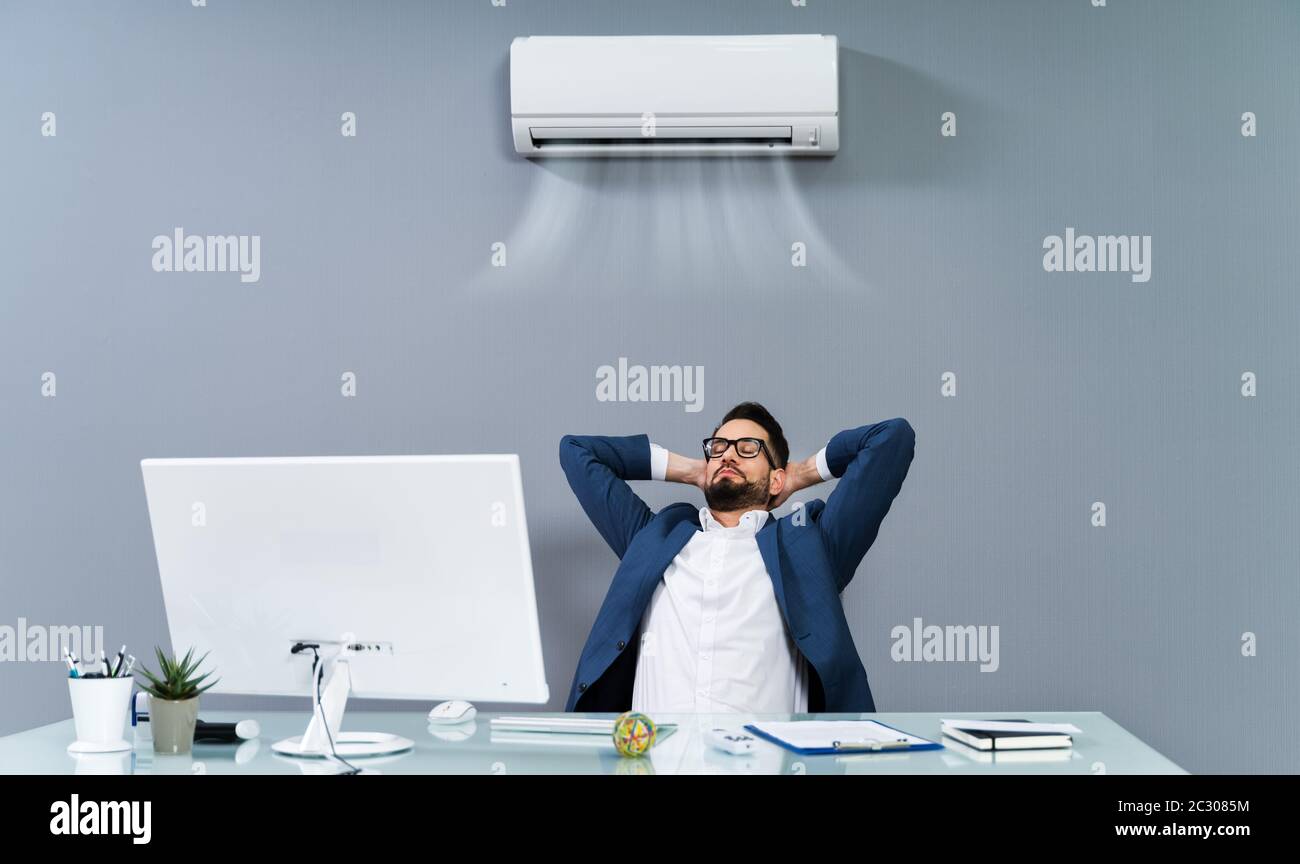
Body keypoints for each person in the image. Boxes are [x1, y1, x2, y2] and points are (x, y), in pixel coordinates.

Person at [558, 401, 916, 714]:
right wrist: (693, 470)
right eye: (718, 447)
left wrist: (800, 474)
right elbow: (576, 452)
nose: (728, 454)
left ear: (777, 479)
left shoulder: (810, 547)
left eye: (748, 448)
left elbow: (891, 439)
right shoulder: (653, 539)